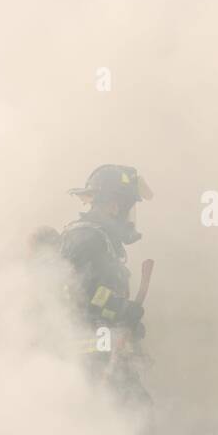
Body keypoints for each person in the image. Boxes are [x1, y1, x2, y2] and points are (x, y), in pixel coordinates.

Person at [59, 164, 153, 405]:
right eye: (129, 209)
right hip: (88, 361)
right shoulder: (88, 239)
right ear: (114, 205)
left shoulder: (99, 239)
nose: (130, 219)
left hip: (99, 356)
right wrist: (122, 310)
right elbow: (84, 295)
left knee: (135, 416)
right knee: (133, 417)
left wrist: (126, 326)